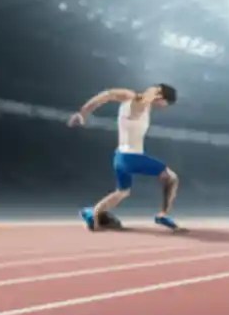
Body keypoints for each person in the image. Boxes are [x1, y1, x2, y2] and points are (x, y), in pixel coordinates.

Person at [67, 85, 182, 232]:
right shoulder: (139, 102)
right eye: (165, 103)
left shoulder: (128, 97)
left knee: (122, 192)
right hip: (131, 157)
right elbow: (141, 99)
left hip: (120, 156)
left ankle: (93, 212)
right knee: (172, 178)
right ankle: (162, 215)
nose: (163, 107)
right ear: (161, 97)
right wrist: (155, 92)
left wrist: (83, 113)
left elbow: (105, 95)